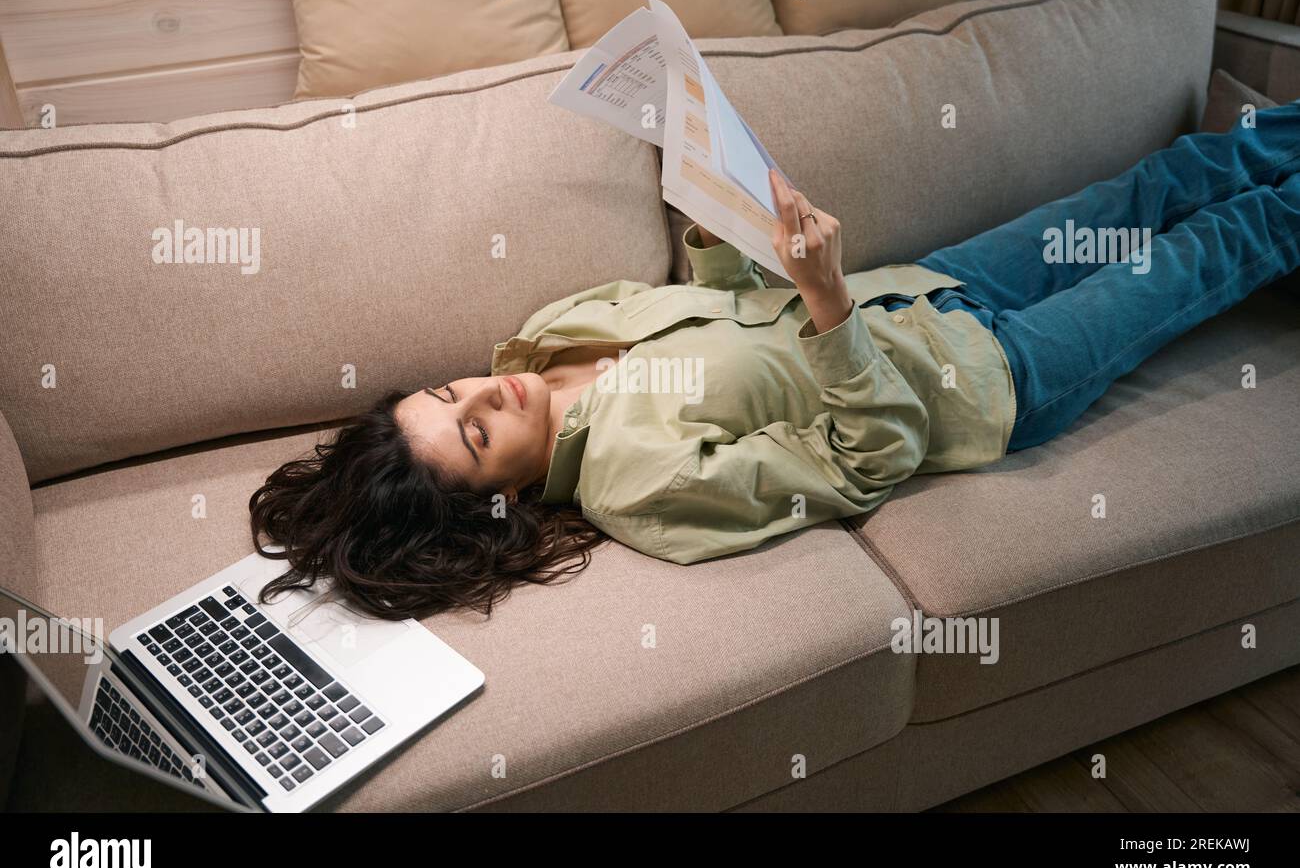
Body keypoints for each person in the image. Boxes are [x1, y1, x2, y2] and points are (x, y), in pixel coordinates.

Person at [250, 103, 1300, 619]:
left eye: (448, 390)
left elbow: (719, 310)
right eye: (477, 430)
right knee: (1229, 237)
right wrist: (824, 298)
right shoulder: (640, 482)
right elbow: (861, 462)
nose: (486, 387)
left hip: (925, 285)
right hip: (994, 374)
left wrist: (724, 215)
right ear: (501, 502)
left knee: (1176, 175)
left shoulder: (544, 335)